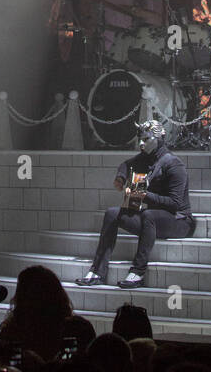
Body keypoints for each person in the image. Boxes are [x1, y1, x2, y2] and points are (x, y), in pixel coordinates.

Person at [76, 120, 195, 289]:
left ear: (159, 138)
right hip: (153, 220)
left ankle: (137, 272)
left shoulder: (174, 165)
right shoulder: (146, 157)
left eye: (146, 139)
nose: (141, 143)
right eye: (140, 138)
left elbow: (175, 204)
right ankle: (97, 271)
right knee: (112, 213)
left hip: (180, 222)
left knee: (148, 215)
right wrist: (121, 178)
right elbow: (126, 164)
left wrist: (144, 196)